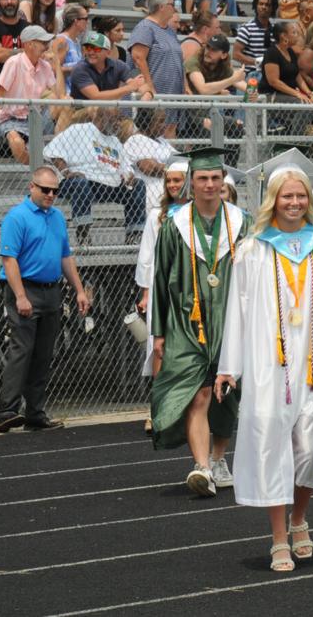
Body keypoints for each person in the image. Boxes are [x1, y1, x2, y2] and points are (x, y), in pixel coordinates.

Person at [215, 164, 313, 572]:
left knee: (308, 451)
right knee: (272, 448)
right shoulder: (253, 250)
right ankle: (278, 539)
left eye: (301, 196)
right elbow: (236, 311)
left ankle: (299, 517)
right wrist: (229, 367)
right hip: (266, 365)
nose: (294, 203)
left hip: (309, 365)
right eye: (287, 196)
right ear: (273, 199)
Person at [151, 147, 251, 496]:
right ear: (190, 184)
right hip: (186, 321)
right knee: (198, 393)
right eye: (202, 179)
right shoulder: (174, 225)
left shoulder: (242, 223)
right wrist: (159, 332)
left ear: (223, 180)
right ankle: (202, 466)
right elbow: (161, 279)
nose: (209, 184)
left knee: (227, 395)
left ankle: (219, 458)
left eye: (215, 178)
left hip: (231, 321)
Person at [0, 166, 91, 433]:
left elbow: (65, 257)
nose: (50, 195)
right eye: (45, 190)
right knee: (22, 349)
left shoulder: (57, 217)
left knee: (44, 353)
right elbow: (9, 259)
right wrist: (21, 296)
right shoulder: (17, 217)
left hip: (51, 290)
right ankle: (7, 411)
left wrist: (79, 290)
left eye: (55, 191)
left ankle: (35, 412)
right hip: (26, 289)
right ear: (32, 187)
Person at [135, 155, 189, 432]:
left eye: (178, 180)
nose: (172, 185)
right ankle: (156, 408)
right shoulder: (158, 215)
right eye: (169, 180)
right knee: (160, 345)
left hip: (191, 289)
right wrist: (145, 292)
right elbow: (146, 255)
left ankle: (183, 408)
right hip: (162, 287)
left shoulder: (197, 214)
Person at [45, 107, 148, 243]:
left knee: (138, 185)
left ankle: (134, 236)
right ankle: (83, 234)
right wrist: (66, 172)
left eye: (119, 120)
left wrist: (129, 176)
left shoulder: (115, 141)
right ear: (100, 118)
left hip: (108, 185)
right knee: (80, 183)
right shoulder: (79, 130)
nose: (118, 124)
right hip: (79, 183)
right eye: (114, 120)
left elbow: (126, 168)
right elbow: (52, 151)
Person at [0, 25, 66, 166]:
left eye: (47, 43)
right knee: (16, 142)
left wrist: (57, 63)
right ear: (29, 45)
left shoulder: (45, 66)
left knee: (66, 101)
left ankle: (56, 151)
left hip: (34, 116)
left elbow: (60, 95)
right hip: (10, 118)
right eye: (43, 43)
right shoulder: (14, 62)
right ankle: (40, 167)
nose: (47, 47)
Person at [130, 0, 183, 132]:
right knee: (150, 131)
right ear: (161, 6)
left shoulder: (169, 30)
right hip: (155, 93)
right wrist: (149, 86)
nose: (175, 7)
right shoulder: (145, 27)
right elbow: (138, 57)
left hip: (172, 93)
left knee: (170, 130)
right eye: (172, 4)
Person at [124, 107, 177, 211]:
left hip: (171, 193)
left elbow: (182, 159)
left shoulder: (162, 141)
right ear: (147, 122)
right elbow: (151, 169)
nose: (165, 125)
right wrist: (180, 169)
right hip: (153, 198)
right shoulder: (136, 140)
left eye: (165, 121)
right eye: (160, 121)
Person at [70, 32, 146, 102]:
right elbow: (95, 96)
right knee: (97, 108)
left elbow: (135, 82)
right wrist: (128, 88)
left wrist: (144, 90)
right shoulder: (80, 69)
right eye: (88, 48)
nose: (91, 52)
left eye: (97, 49)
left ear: (108, 52)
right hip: (80, 112)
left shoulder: (118, 65)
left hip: (108, 112)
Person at [261, 20, 312, 102]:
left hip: (289, 94)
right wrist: (297, 93)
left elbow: (297, 76)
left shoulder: (291, 52)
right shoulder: (271, 52)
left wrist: (309, 93)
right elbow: (274, 82)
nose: (297, 36)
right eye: (294, 33)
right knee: (302, 103)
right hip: (272, 94)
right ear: (284, 36)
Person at [233, 0, 276, 70]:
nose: (264, 7)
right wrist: (257, 62)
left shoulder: (276, 30)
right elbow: (236, 54)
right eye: (261, 4)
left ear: (272, 8)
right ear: (256, 6)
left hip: (271, 73)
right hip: (251, 73)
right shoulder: (246, 28)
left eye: (267, 5)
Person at [51, 2, 87, 92]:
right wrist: (75, 68)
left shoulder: (77, 41)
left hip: (74, 93)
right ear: (76, 21)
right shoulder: (61, 40)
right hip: (63, 95)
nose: (87, 21)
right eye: (85, 18)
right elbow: (53, 70)